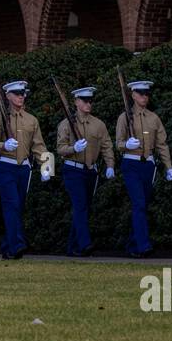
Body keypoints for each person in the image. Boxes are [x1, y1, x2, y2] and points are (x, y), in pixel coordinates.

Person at [0, 80, 48, 259]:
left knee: (18, 208)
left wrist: (46, 166)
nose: (20, 96)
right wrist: (4, 145)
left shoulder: (31, 119)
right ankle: (17, 246)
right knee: (12, 205)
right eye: (16, 93)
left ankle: (8, 247)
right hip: (6, 166)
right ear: (7, 96)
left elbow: (39, 145)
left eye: (22, 93)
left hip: (24, 169)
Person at [115, 80, 172, 257]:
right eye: (141, 94)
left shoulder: (153, 118)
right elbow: (117, 143)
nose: (144, 97)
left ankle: (133, 245)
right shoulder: (124, 117)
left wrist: (168, 167)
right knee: (139, 203)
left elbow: (161, 144)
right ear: (133, 95)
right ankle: (143, 246)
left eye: (147, 94)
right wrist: (127, 144)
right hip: (131, 164)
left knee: (142, 205)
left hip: (148, 165)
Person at [56, 86, 115, 257]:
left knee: (84, 208)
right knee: (80, 206)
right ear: (76, 102)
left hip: (90, 171)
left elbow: (107, 146)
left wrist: (110, 165)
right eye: (85, 101)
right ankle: (85, 244)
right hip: (73, 169)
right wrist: (73, 148)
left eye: (90, 101)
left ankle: (73, 247)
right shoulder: (66, 124)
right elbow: (60, 149)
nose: (89, 104)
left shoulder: (98, 124)